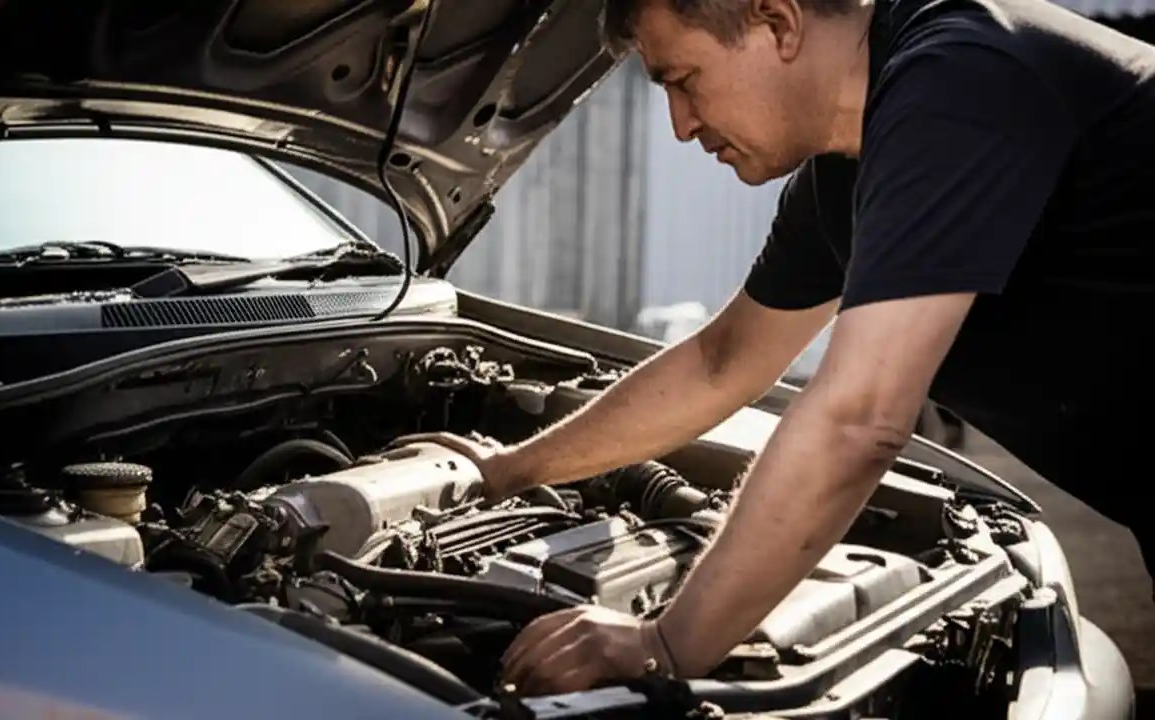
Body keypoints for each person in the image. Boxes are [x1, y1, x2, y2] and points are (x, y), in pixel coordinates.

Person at [402, 0, 1155, 696]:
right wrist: (504, 472)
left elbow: (860, 419)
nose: (680, 125)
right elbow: (722, 360)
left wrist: (666, 645)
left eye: (683, 79)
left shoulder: (961, 78)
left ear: (777, 20)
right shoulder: (847, 172)